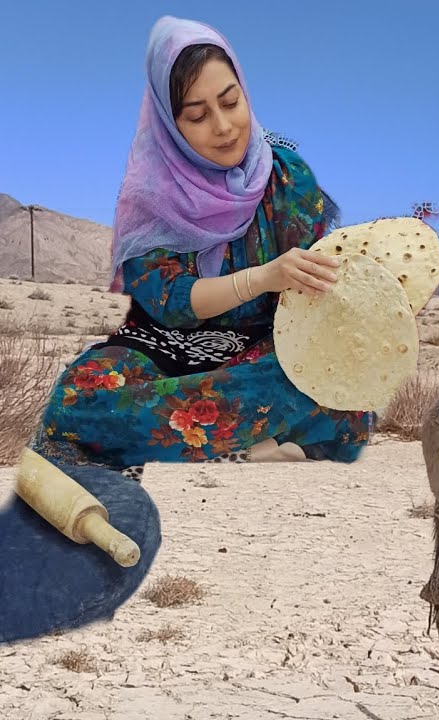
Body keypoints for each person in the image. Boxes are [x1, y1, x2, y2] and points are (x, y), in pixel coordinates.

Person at [1, 15, 372, 645]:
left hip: (269, 351)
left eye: (231, 102)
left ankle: (189, 434)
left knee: (311, 389)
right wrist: (264, 276)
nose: (224, 126)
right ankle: (248, 436)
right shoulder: (151, 193)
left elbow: (321, 289)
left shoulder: (288, 178)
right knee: (80, 389)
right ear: (170, 124)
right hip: (175, 344)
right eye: (197, 115)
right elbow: (169, 302)